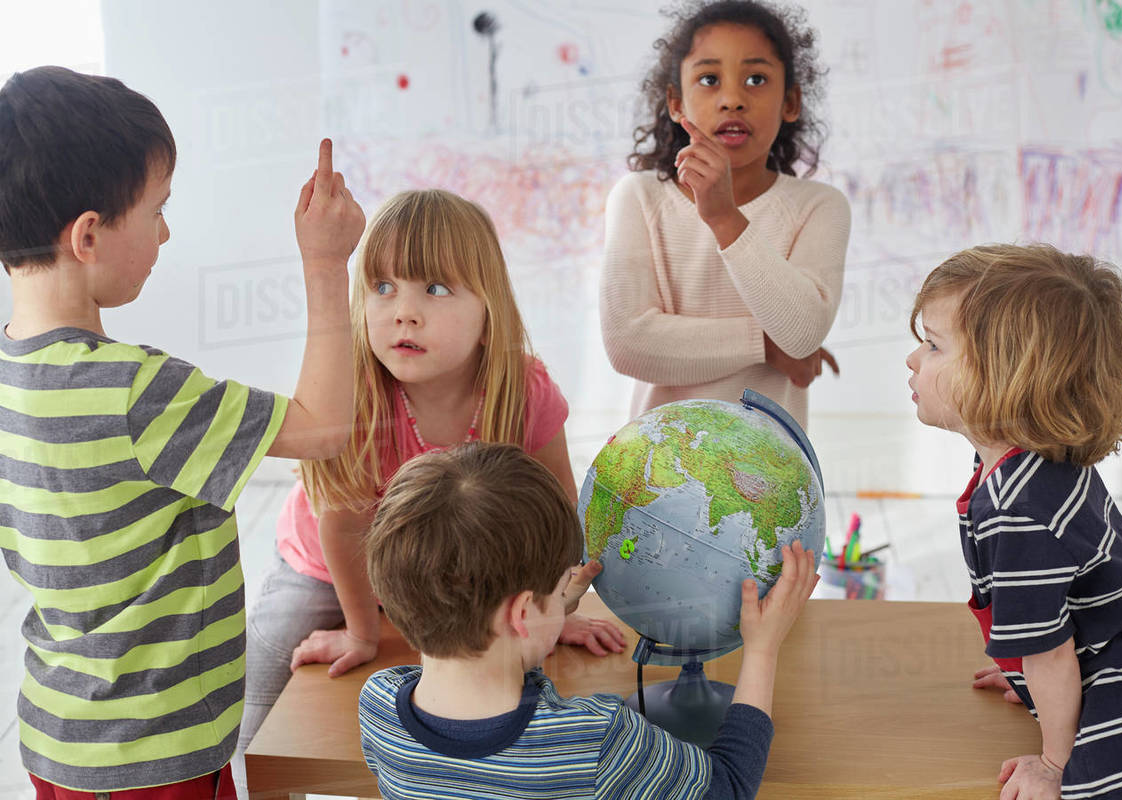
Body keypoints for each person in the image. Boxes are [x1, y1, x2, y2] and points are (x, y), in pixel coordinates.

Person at [0, 66, 364, 797]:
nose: (167, 232)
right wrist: (326, 263)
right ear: (89, 236)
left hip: (56, 742)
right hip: (159, 752)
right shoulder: (136, 390)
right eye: (158, 210)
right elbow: (325, 428)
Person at [236, 189, 626, 789]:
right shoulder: (354, 392)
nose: (404, 313)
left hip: (453, 567)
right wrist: (363, 630)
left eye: (435, 290)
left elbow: (557, 507)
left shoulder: (522, 390)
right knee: (262, 677)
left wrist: (556, 605)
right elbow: (341, 527)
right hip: (328, 564)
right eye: (383, 287)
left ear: (487, 306)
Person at [357, 442, 819, 799]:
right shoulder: (593, 740)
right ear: (520, 614)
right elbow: (728, 788)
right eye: (558, 587)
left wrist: (552, 609)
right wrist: (762, 648)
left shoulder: (376, 707)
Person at [906, 243, 1122, 800]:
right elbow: (1068, 607)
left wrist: (1053, 762)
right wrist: (1030, 679)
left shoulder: (1017, 509)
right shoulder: (1033, 457)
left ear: (1007, 375)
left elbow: (1053, 653)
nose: (913, 359)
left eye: (933, 344)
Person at [600, 0, 850, 427]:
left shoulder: (819, 207)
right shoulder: (638, 197)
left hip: (772, 481)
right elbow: (628, 343)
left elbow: (802, 333)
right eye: (709, 79)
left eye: (756, 79)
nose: (732, 99)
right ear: (676, 104)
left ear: (790, 101)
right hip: (657, 478)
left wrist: (724, 218)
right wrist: (766, 346)